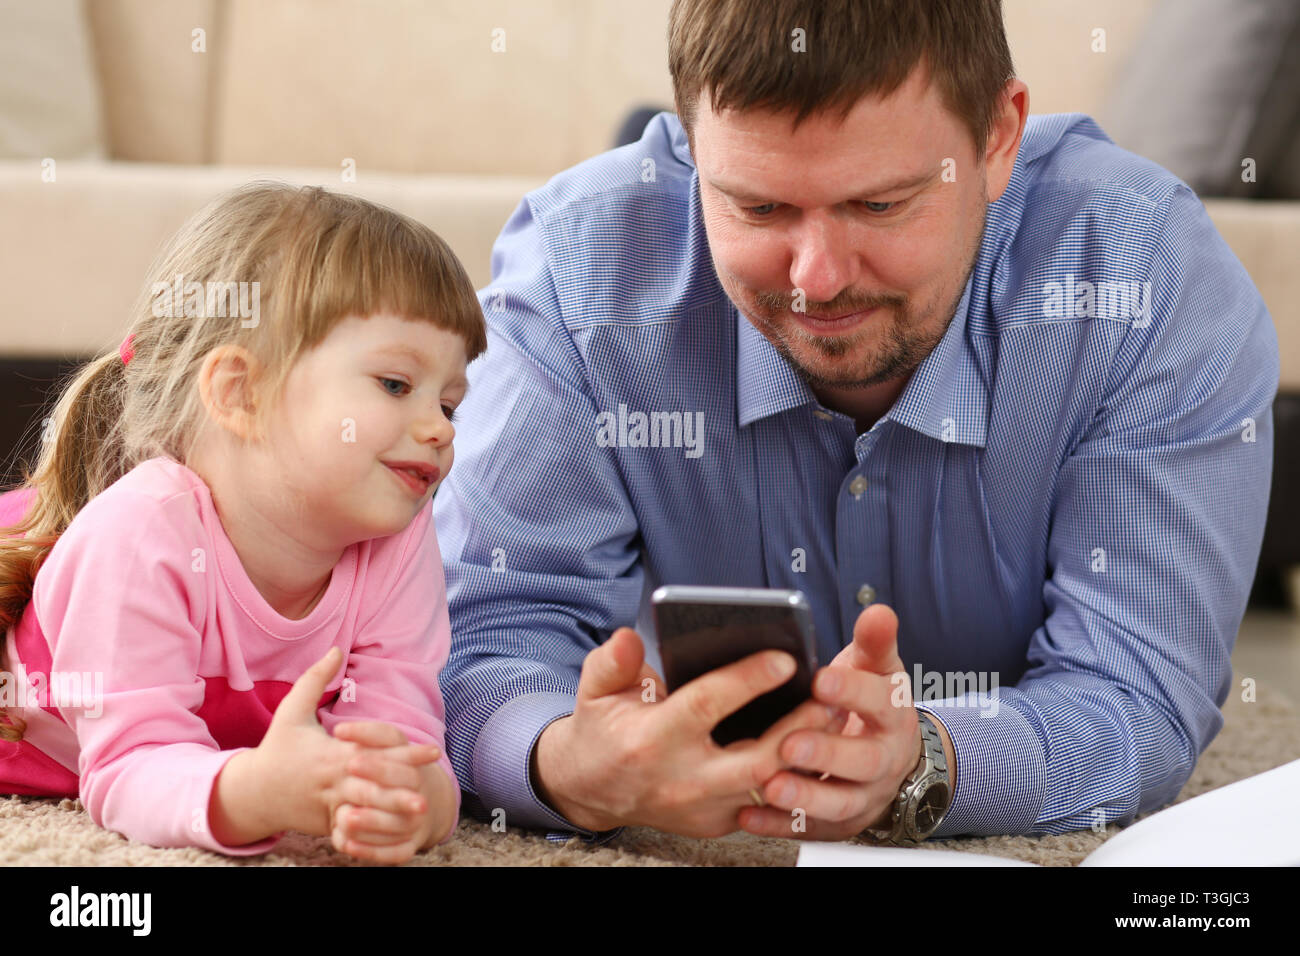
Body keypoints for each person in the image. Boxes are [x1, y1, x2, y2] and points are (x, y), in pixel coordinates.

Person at [432, 0, 1278, 845]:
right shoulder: (576, 279)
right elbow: (486, 635)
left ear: (998, 137)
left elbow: (1137, 692)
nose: (819, 280)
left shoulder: (1147, 278)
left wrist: (926, 763)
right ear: (691, 149)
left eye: (880, 205)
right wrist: (564, 762)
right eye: (758, 208)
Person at [0, 182, 484, 862]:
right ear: (240, 393)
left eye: (452, 403)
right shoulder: (140, 534)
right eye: (396, 386)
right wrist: (253, 791)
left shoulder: (397, 543)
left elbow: (403, 727)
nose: (438, 429)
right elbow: (131, 768)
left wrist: (416, 800)